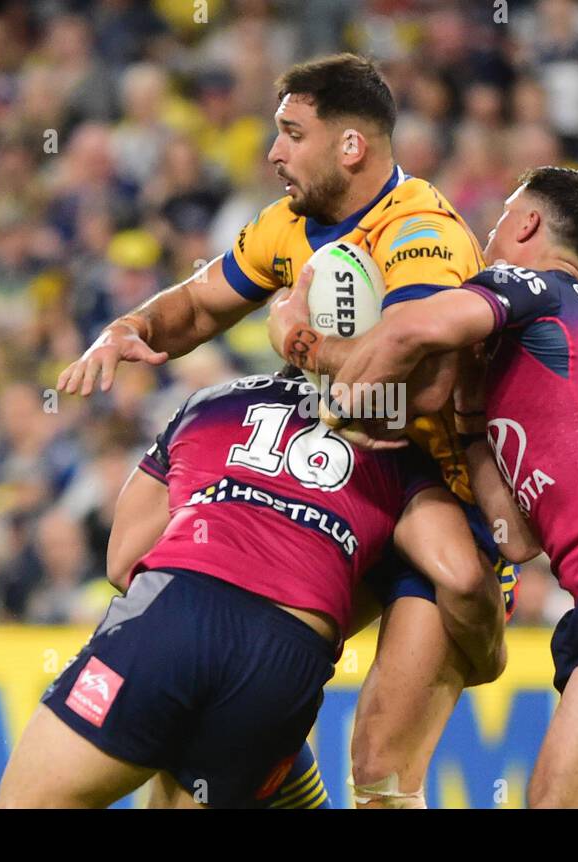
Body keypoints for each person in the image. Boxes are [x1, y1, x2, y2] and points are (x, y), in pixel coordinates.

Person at [54, 53, 521, 808]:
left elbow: (425, 380)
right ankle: (280, 771)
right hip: (351, 486)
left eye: (290, 133)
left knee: (381, 766)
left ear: (351, 147)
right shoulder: (290, 224)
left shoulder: (421, 233)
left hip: (443, 497)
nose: (273, 152)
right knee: (210, 671)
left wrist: (298, 341)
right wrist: (131, 328)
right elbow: (202, 306)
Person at [275, 165, 578, 808]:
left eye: (496, 223)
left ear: (528, 224)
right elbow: (516, 540)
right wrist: (467, 427)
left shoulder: (533, 286)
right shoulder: (551, 338)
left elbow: (412, 329)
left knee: (551, 801)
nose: (485, 243)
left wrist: (320, 363)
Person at [0, 370, 505, 808]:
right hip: (287, 657)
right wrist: (491, 652)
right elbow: (460, 576)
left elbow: (124, 557)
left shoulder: (217, 402)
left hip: (178, 605)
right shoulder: (402, 450)